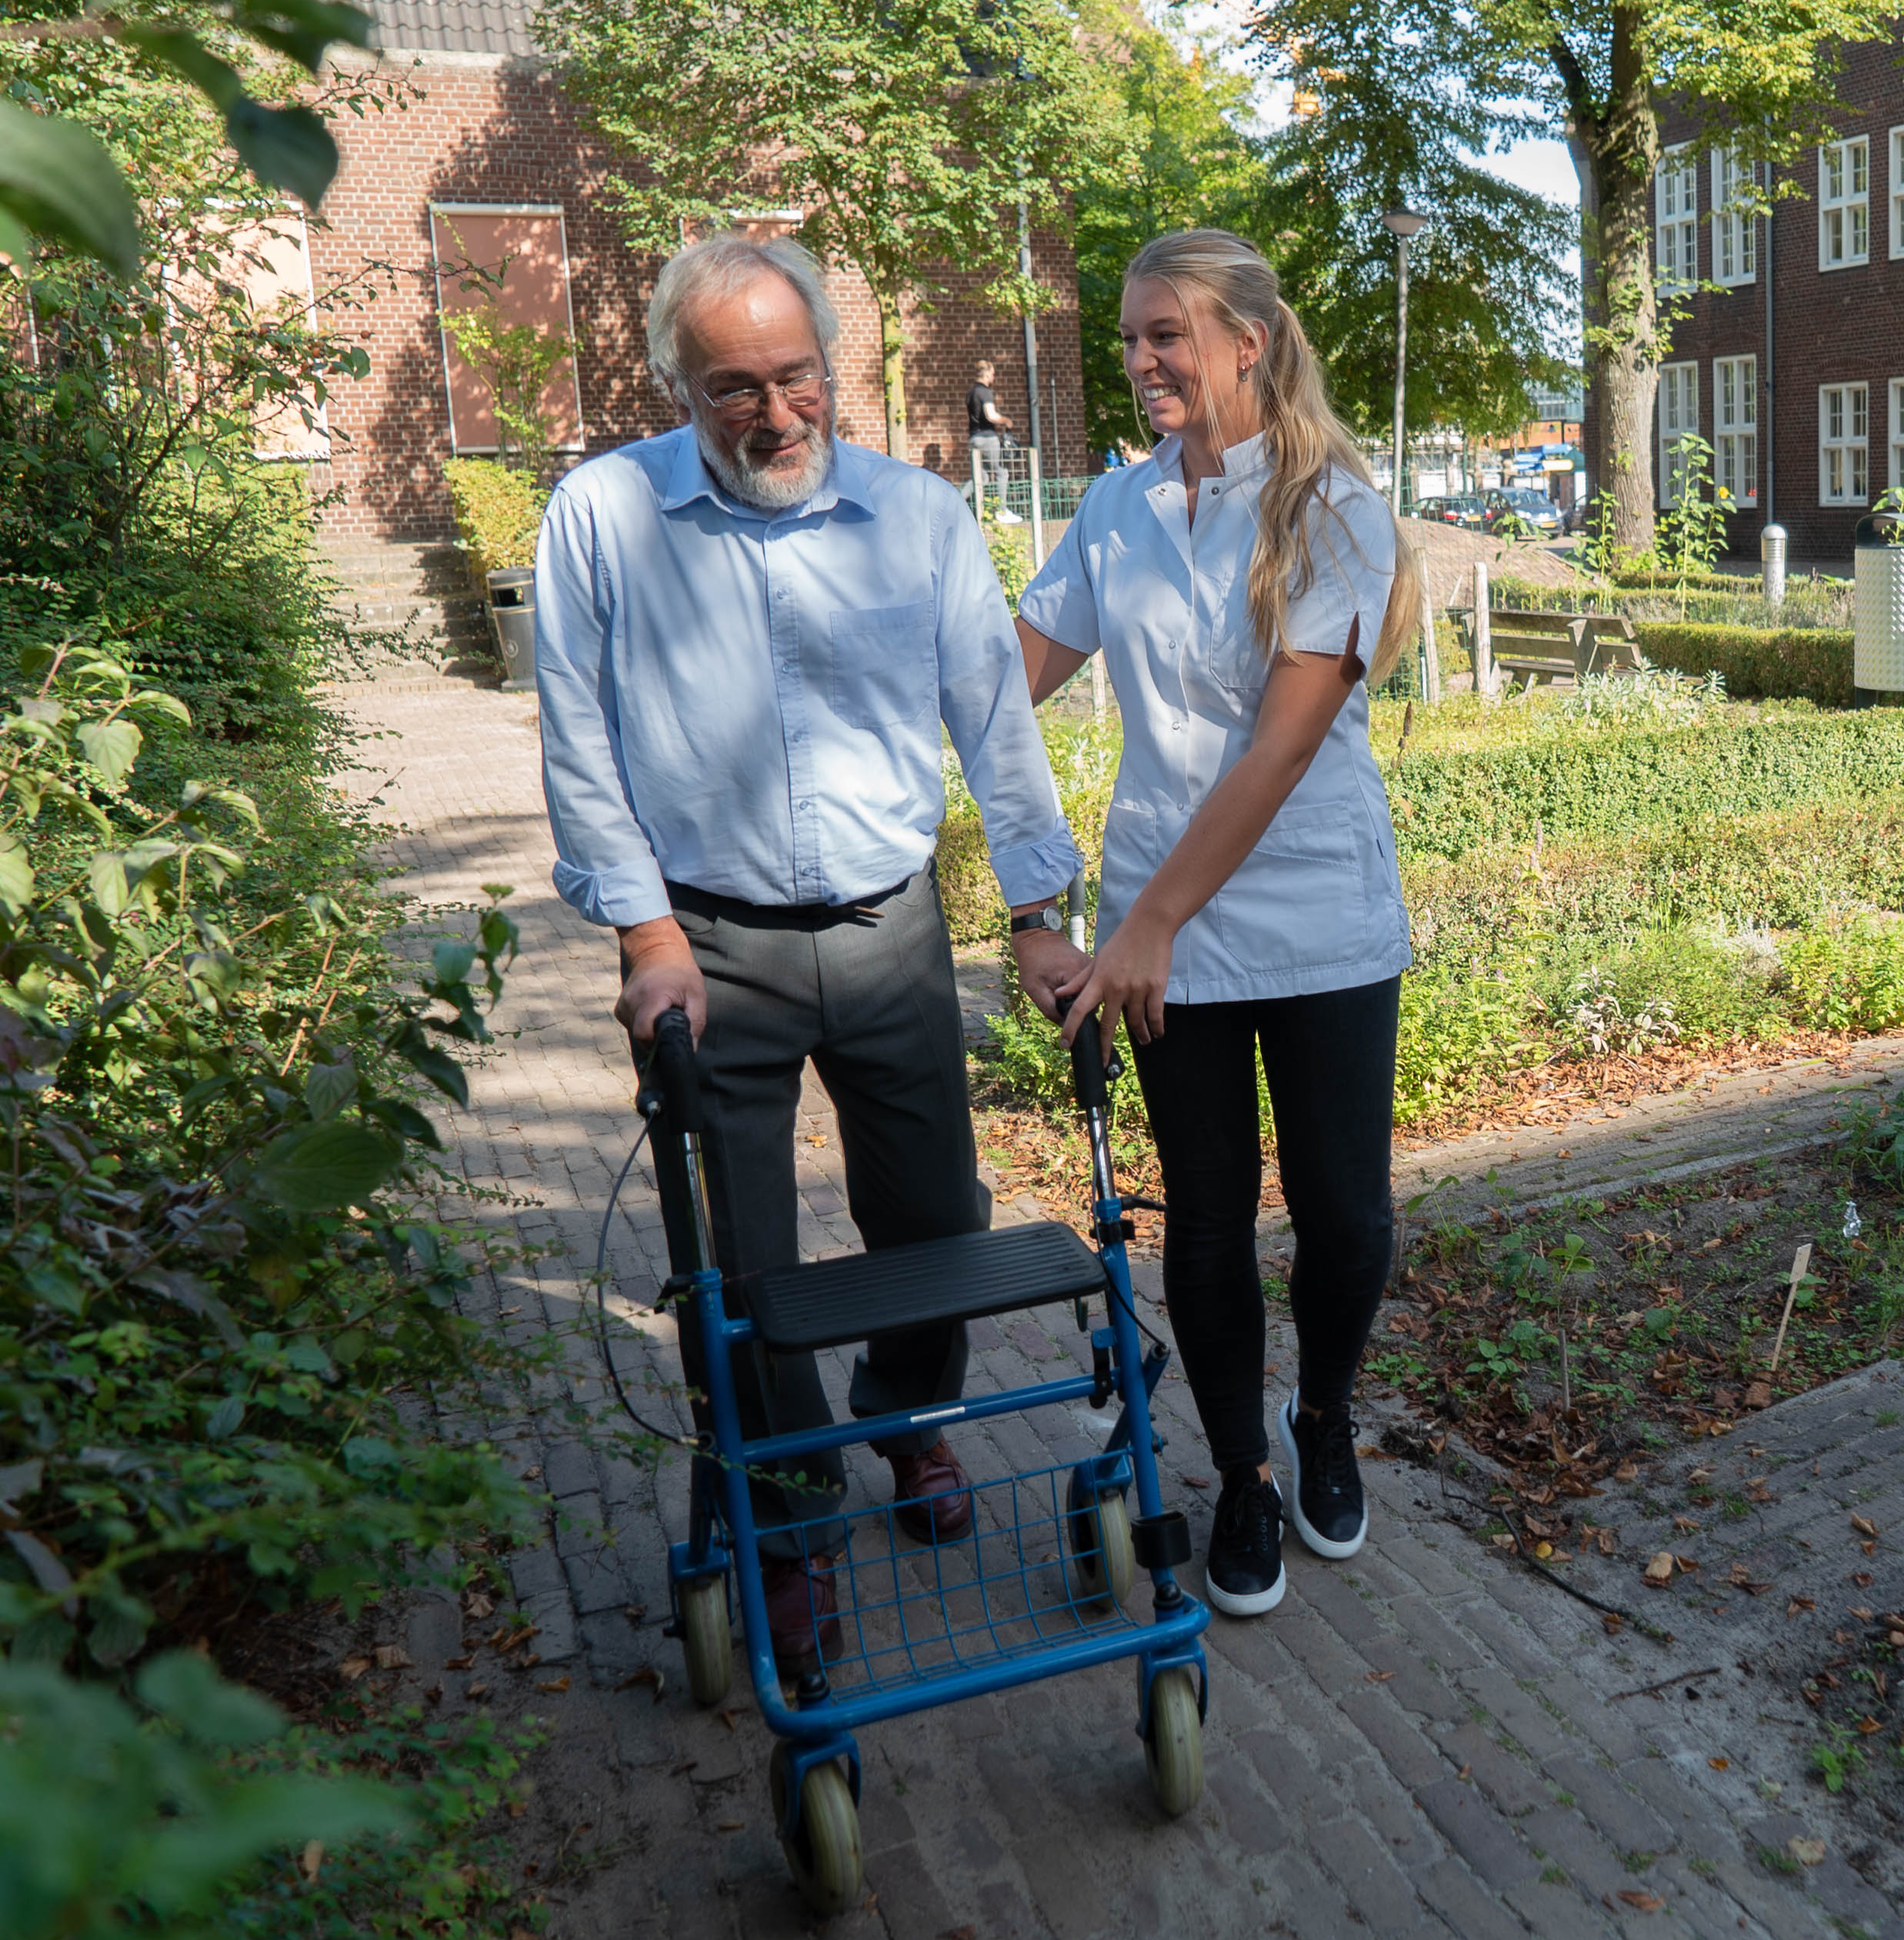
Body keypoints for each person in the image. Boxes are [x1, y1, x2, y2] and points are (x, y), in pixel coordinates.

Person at [532, 234, 1085, 1672]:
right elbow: (577, 738)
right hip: (710, 946)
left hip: (890, 925)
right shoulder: (603, 516)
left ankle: (910, 1427)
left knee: (936, 1219)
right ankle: (791, 1517)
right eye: (733, 389)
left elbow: (994, 722)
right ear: (673, 383)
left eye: (797, 377)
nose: (776, 415)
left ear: (830, 364)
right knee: (744, 1266)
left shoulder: (918, 518)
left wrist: (1035, 915)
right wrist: (644, 933)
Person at [1010, 228, 1419, 1618]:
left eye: (1164, 335)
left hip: (1312, 916)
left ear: (1247, 340)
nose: (1138, 362)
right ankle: (1241, 1473)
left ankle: (1324, 1421)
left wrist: (1146, 925)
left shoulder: (1335, 510)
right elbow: (1005, 685)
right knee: (1205, 1221)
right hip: (1157, 928)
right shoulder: (1116, 509)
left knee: (1344, 1217)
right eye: (1128, 339)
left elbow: (1279, 751)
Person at [966, 358, 1011, 477]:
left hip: (974, 438)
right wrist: (1006, 421)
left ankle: (958, 495)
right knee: (1001, 474)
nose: (993, 377)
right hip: (988, 438)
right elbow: (991, 416)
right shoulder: (985, 392)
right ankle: (1001, 497)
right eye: (992, 374)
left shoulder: (972, 392)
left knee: (981, 478)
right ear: (986, 374)